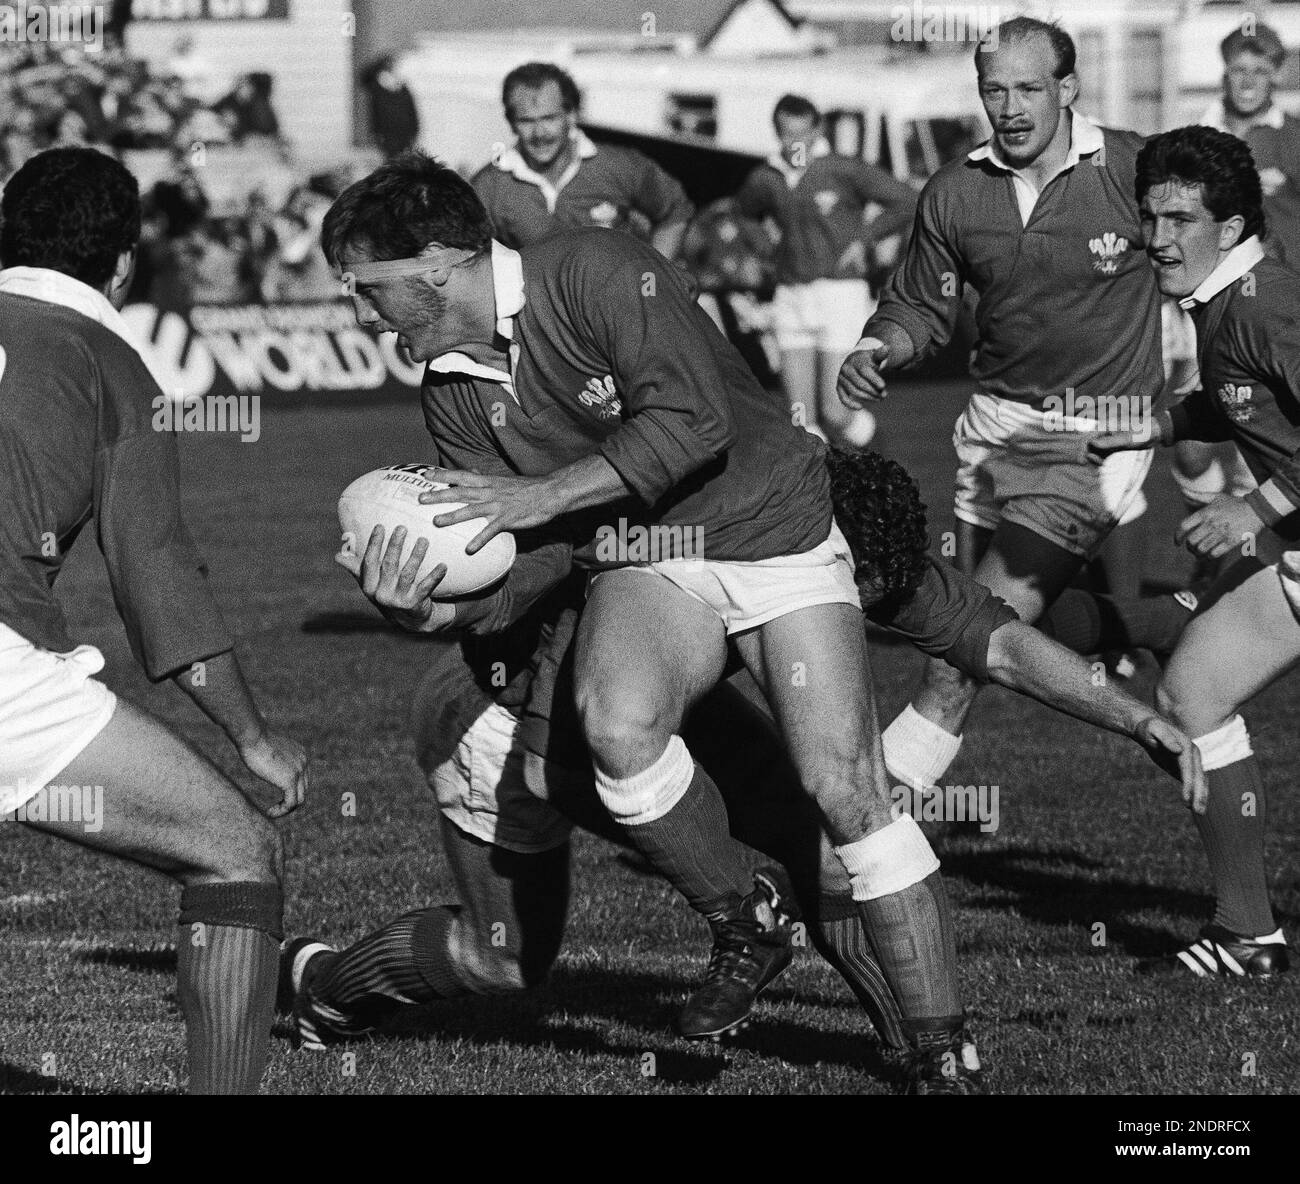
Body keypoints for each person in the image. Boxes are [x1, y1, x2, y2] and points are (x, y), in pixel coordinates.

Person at [324, 152, 981, 1092]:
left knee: (842, 790)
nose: (362, 314)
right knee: (617, 726)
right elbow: (535, 561)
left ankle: (939, 1049)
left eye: (367, 288)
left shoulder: (592, 266)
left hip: (773, 531)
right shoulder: (454, 393)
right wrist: (431, 610)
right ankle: (740, 917)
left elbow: (691, 421)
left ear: (436, 263)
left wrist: (538, 497)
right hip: (648, 555)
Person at [286, 448, 1203, 1090]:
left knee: (827, 845)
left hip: (650, 708)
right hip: (500, 718)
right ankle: (324, 989)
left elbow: (999, 643)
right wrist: (422, 612)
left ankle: (922, 1051)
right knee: (504, 960)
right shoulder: (672, 524)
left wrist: (1138, 721)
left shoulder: (837, 533)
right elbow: (558, 751)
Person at [0, 148, 308, 1092]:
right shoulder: (107, 361)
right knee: (236, 855)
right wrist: (253, 739)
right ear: (125, 264)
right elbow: (156, 579)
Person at [836, 16, 1189, 798]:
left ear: (1067, 88)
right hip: (989, 438)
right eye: (995, 89)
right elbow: (919, 309)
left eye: (1030, 88)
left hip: (1092, 446)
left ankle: (864, 838)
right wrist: (877, 347)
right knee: (978, 621)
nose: (1012, 106)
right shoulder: (958, 190)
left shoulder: (1134, 170)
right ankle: (1166, 622)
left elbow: (1214, 255)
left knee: (958, 656)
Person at [1087, 125, 1298, 978]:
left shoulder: (1266, 302)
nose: (1159, 238)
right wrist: (1158, 423)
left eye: (1180, 219)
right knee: (1193, 693)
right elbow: (1244, 401)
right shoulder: (1226, 299)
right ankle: (1248, 933)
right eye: (1151, 217)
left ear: (1232, 224)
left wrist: (1258, 507)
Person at [737, 93, 917, 448]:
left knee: (837, 413)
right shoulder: (766, 176)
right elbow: (744, 214)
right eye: (788, 134)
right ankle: (825, 498)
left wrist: (864, 238)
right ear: (777, 133)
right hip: (791, 296)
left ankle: (881, 467)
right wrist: (767, 251)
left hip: (840, 295)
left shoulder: (841, 168)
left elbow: (906, 199)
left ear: (818, 130)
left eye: (804, 133)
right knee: (801, 421)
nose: (797, 142)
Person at [471, 61, 694, 259]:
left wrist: (653, 278)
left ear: (572, 115)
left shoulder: (618, 165)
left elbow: (675, 212)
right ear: (511, 123)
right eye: (526, 121)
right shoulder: (489, 185)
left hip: (614, 302)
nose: (539, 133)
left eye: (549, 118)